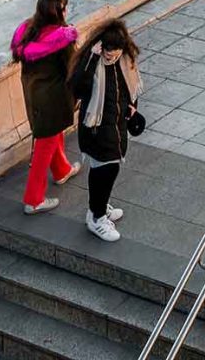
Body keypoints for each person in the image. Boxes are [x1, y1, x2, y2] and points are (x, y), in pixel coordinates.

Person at [70, 19, 143, 243]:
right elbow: (78, 88)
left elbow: (130, 90)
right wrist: (92, 58)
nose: (111, 57)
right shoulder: (91, 61)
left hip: (117, 125)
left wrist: (132, 109)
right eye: (108, 53)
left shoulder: (125, 61)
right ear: (100, 47)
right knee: (104, 170)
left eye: (116, 53)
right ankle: (97, 216)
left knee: (108, 169)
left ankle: (98, 206)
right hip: (96, 128)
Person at [13, 0, 80, 216]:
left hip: (34, 94)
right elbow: (74, 67)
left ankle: (62, 170)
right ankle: (34, 200)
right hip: (54, 97)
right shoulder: (62, 38)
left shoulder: (27, 31)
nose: (67, 11)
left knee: (50, 136)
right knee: (44, 145)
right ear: (58, 12)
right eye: (64, 7)